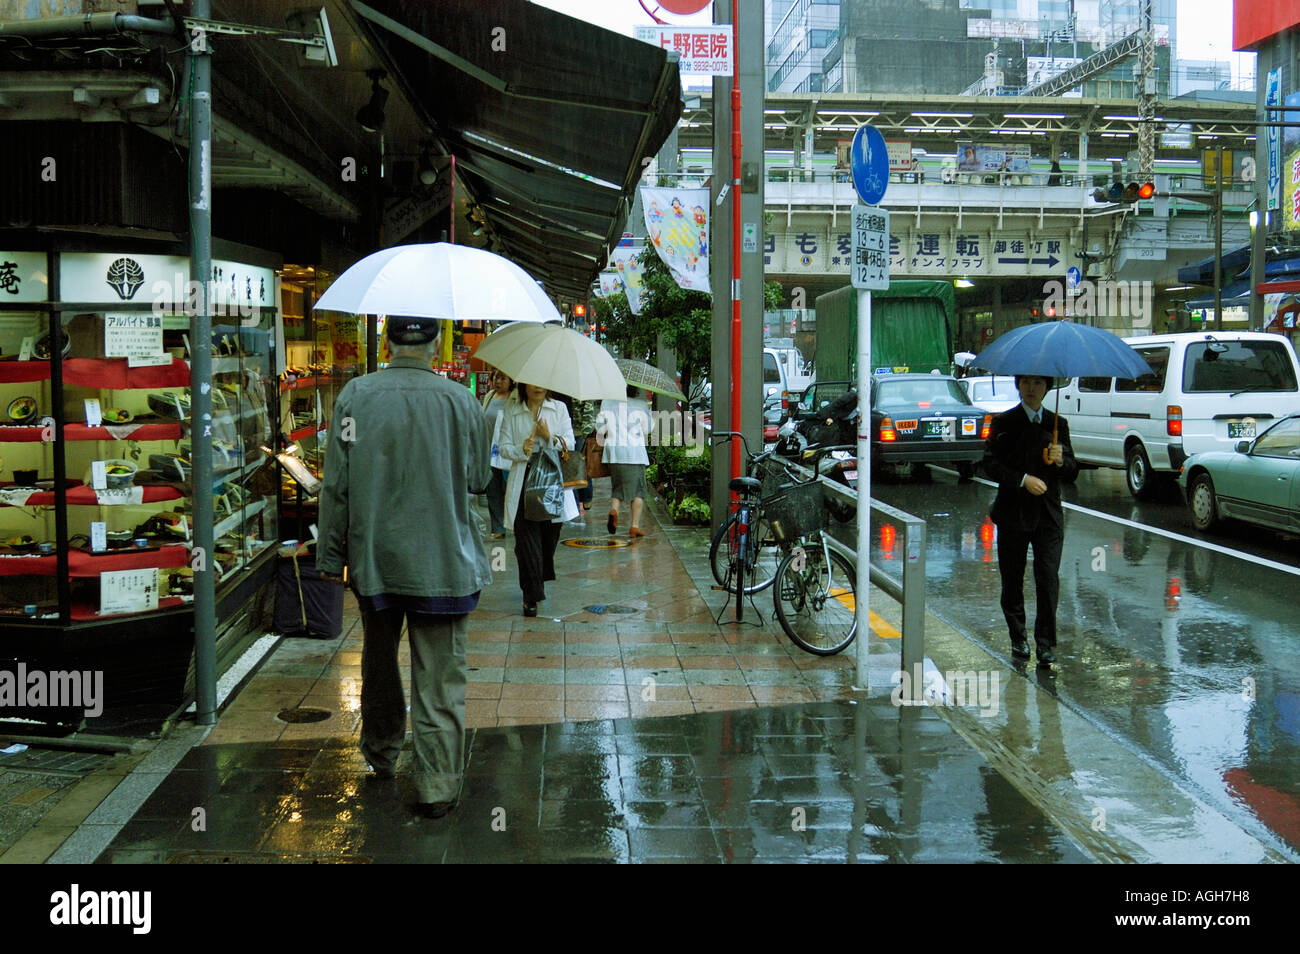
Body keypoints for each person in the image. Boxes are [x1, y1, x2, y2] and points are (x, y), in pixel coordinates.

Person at [317, 315, 492, 819]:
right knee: (439, 675)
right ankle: (436, 786)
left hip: (375, 558)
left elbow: (336, 485)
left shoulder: (355, 396)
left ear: (386, 342)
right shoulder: (460, 400)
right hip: (444, 562)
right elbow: (480, 479)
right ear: (437, 344)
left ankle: (381, 753)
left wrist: (330, 557)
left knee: (378, 659)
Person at [982, 374, 1078, 668]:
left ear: (1047, 388)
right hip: (1013, 513)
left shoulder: (1057, 424)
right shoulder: (1004, 422)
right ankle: (1017, 636)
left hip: (1048, 516)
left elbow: (1072, 471)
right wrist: (1022, 480)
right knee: (1012, 578)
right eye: (1026, 383)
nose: (1032, 389)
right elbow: (989, 464)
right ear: (1018, 386)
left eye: (1038, 384)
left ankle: (1046, 643)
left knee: (1048, 579)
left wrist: (1061, 460)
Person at [500, 381, 576, 617]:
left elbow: (570, 444)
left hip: (551, 482)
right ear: (523, 384)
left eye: (542, 382)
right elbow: (503, 447)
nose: (537, 387)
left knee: (547, 539)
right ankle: (530, 595)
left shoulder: (559, 409)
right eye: (531, 382)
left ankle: (537, 576)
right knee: (526, 541)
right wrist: (520, 450)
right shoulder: (512, 411)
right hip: (524, 480)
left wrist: (549, 437)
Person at [597, 385, 651, 538]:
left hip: (614, 452)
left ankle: (614, 510)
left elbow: (600, 428)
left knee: (618, 486)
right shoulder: (641, 404)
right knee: (638, 491)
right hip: (634, 453)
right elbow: (647, 430)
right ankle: (634, 526)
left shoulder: (607, 403)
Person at [480, 369, 515, 538]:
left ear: (510, 381)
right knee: (492, 490)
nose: (498, 381)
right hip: (490, 451)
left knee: (508, 488)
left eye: (502, 378)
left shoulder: (515, 398)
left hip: (507, 451)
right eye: (495, 378)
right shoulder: (489, 396)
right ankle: (498, 527)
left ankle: (512, 522)